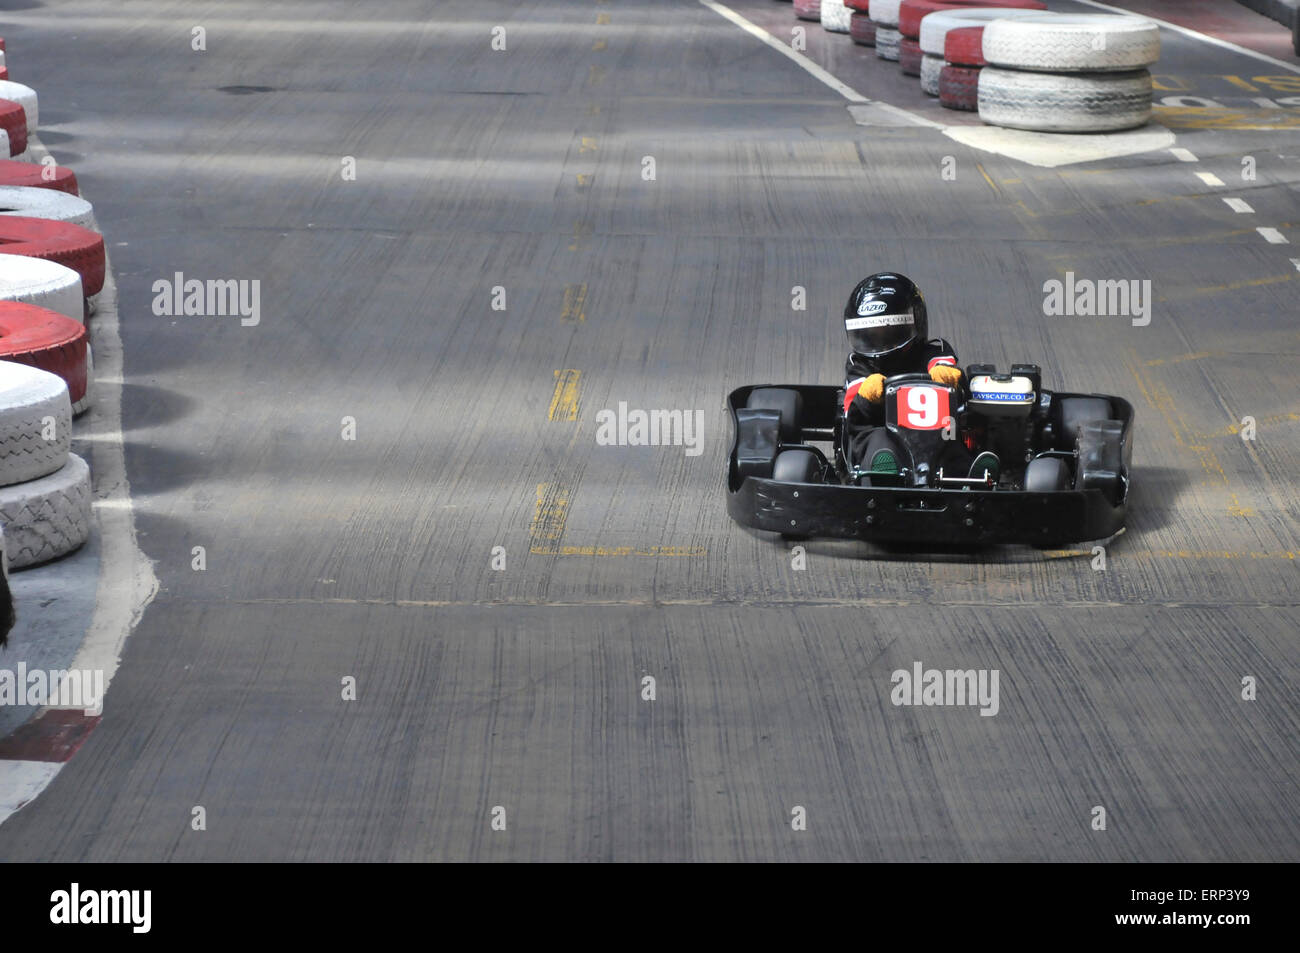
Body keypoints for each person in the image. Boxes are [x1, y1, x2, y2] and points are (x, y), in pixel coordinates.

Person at [840, 272, 997, 480]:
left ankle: (972, 476)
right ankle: (883, 476)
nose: (879, 342)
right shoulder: (859, 366)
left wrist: (946, 375)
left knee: (950, 438)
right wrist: (868, 395)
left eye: (888, 333)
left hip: (936, 435)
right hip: (882, 435)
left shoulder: (935, 351)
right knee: (879, 441)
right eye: (869, 335)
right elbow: (852, 411)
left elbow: (942, 364)